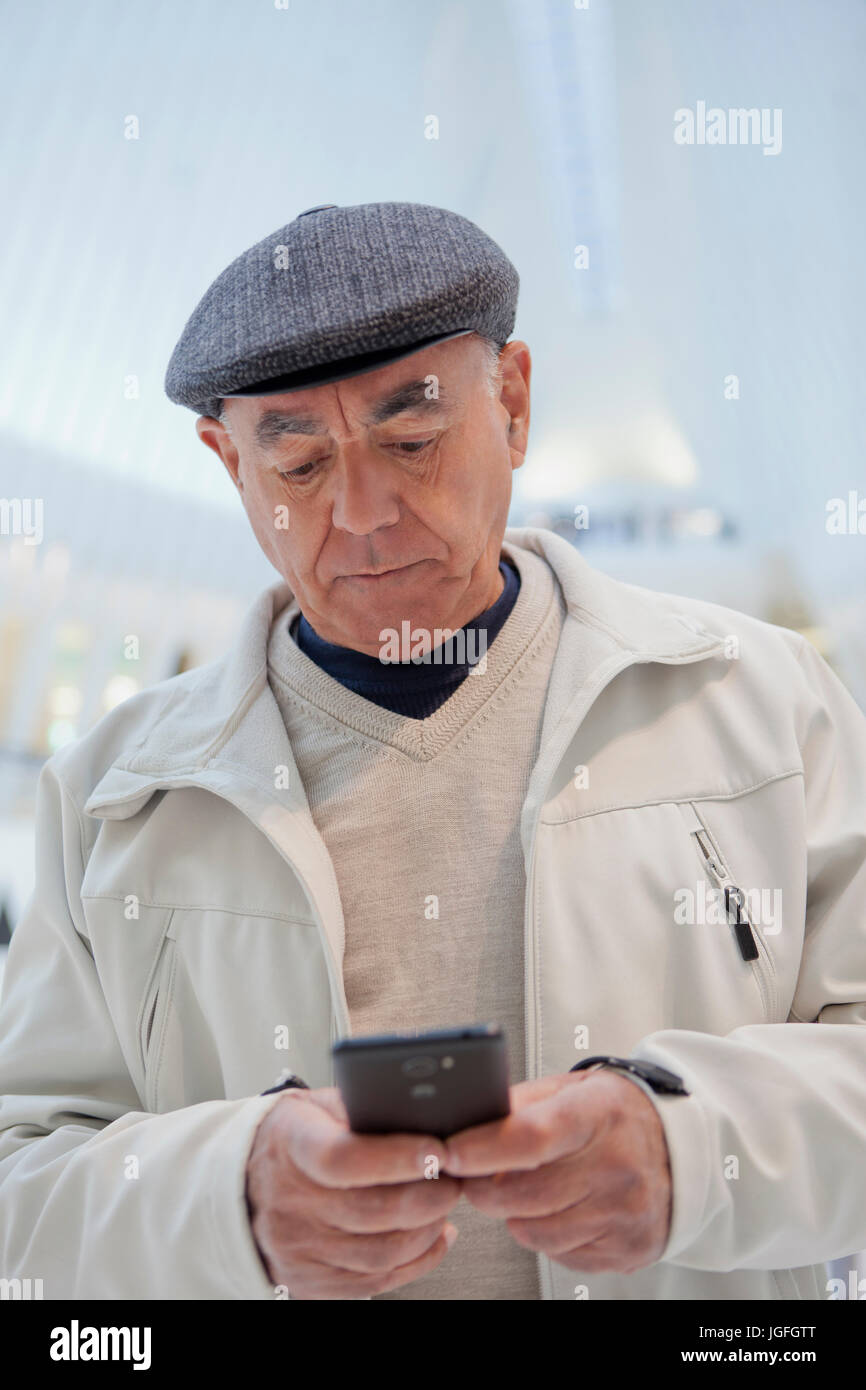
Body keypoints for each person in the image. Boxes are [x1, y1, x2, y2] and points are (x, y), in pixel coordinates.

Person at [1, 202, 865, 1301]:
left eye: (410, 441)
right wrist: (230, 1200)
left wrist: (692, 1151)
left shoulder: (760, 706)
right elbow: (18, 1180)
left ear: (510, 404)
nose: (363, 513)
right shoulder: (117, 797)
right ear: (228, 464)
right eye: (299, 464)